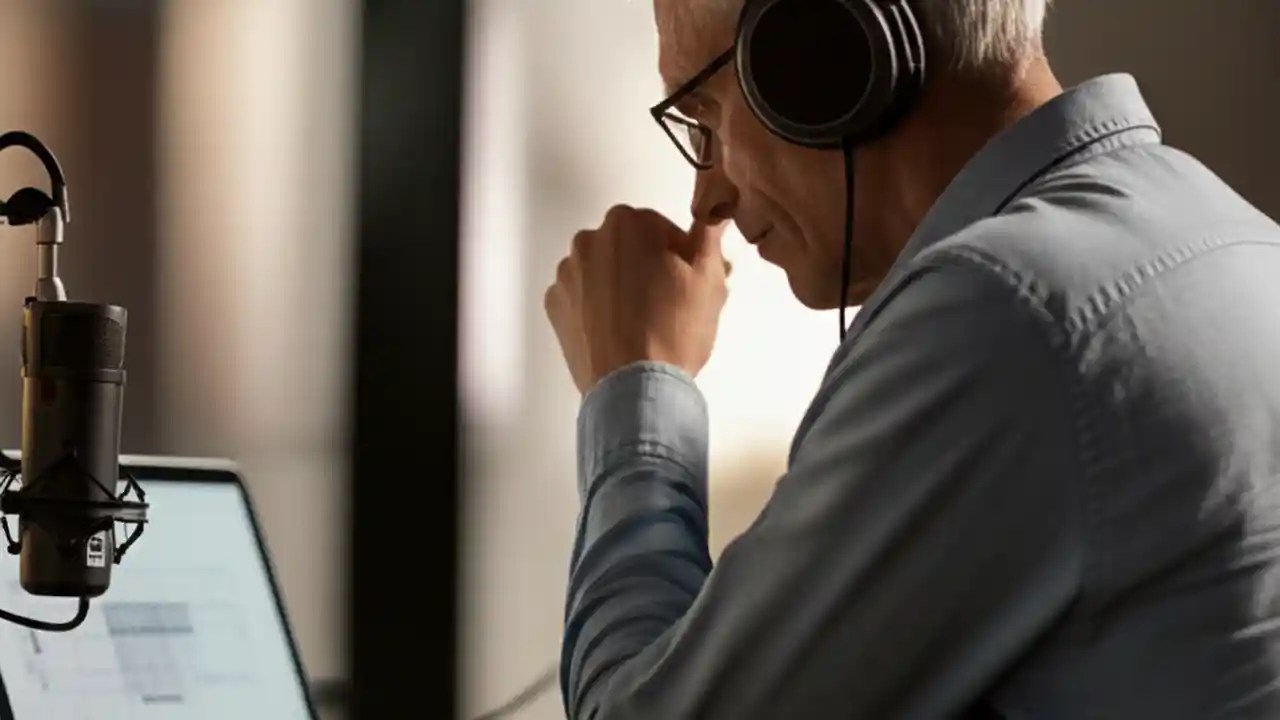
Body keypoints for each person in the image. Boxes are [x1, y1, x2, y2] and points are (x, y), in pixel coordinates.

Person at [541, 0, 1280, 717]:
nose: (708, 199)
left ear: (822, 52)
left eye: (706, 113)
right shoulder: (1231, 234)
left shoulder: (1009, 314)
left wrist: (634, 384)